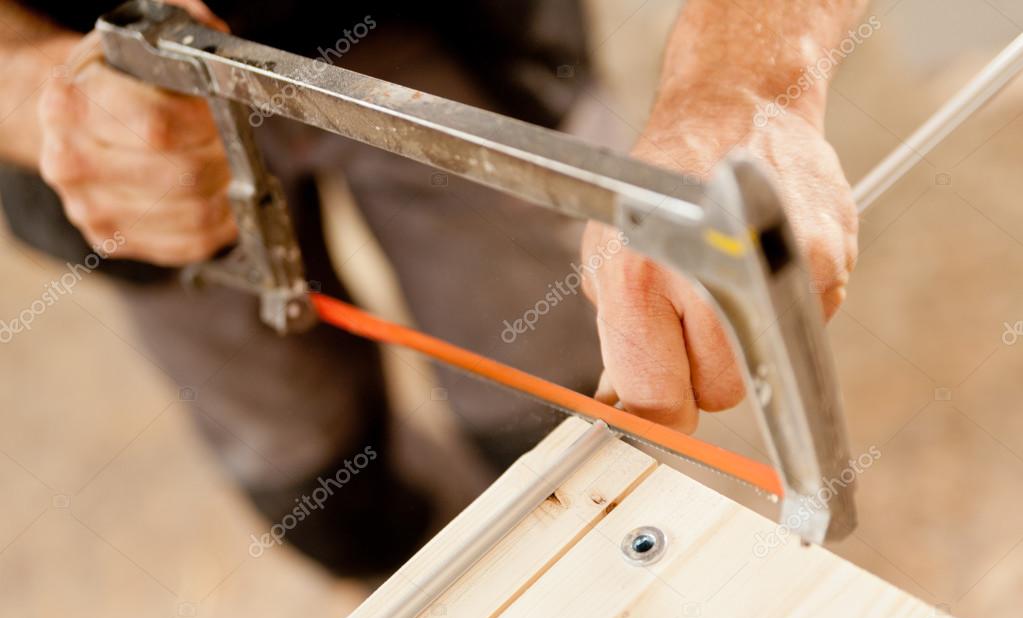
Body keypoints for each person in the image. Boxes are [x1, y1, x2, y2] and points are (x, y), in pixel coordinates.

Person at [0, 0, 860, 575]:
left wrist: (744, 80)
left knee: (577, 420)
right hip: (115, 98)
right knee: (323, 497)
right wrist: (36, 89)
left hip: (456, 37)